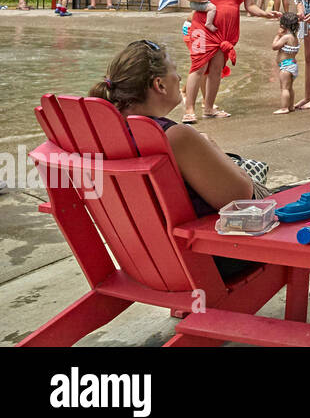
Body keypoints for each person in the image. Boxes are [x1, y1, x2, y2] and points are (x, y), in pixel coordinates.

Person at [90, 40, 268, 278]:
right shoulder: (174, 137)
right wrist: (211, 148)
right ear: (159, 84)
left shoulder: (102, 134)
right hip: (207, 258)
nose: (180, 76)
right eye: (174, 69)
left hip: (146, 261)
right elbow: (240, 197)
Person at [181, 0, 279, 122]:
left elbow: (250, 6)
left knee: (216, 69)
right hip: (202, 27)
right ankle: (189, 110)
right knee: (198, 66)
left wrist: (266, 14)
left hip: (227, 32)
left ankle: (209, 108)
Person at [272, 11, 300, 114]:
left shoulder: (285, 37)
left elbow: (274, 47)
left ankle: (284, 108)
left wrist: (278, 35)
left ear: (283, 25)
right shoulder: (294, 37)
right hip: (293, 64)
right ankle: (291, 106)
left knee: (284, 88)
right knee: (289, 87)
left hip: (286, 67)